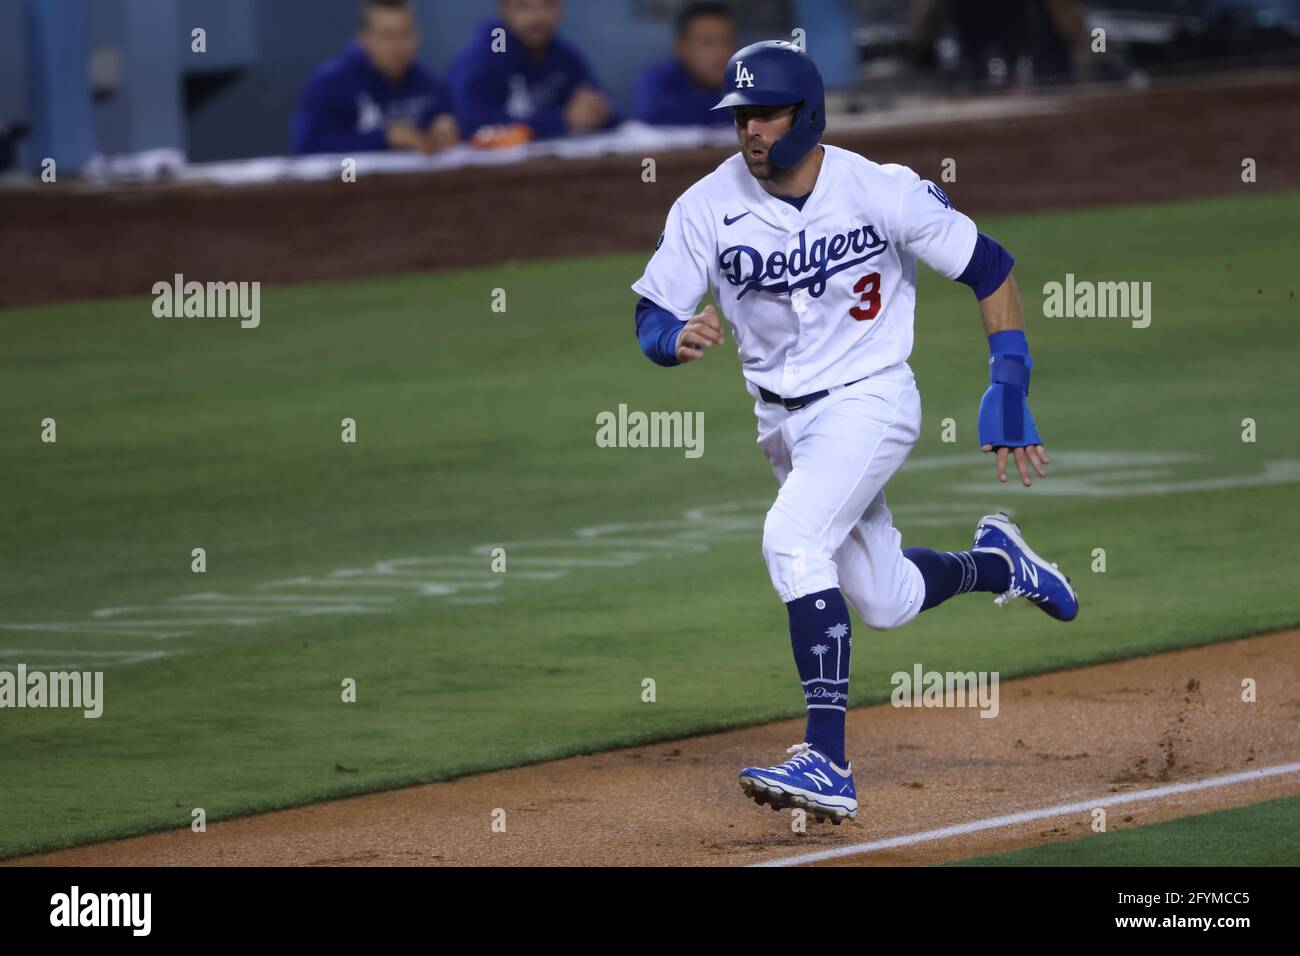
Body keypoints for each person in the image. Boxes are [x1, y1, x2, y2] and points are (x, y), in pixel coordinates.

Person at [630, 41, 1078, 824]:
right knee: (884, 597)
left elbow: (991, 266)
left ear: (807, 115)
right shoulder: (705, 205)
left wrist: (1009, 383)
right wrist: (673, 340)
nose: (750, 131)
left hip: (871, 400)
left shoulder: (880, 189)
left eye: (765, 114)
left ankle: (828, 760)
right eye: (740, 116)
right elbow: (650, 313)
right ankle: (1000, 564)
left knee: (791, 540)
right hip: (781, 421)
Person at [291, 0, 458, 156]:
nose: (398, 45)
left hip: (414, 182)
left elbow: (444, 117)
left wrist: (443, 124)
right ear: (363, 39)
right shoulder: (331, 83)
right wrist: (383, 137)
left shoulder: (424, 79)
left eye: (405, 33)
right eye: (388, 36)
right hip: (352, 183)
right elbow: (306, 146)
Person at [447, 0, 614, 141]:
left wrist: (598, 111)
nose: (538, 17)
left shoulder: (562, 53)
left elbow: (605, 108)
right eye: (524, 6)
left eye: (547, 5)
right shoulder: (489, 51)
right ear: (504, 10)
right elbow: (473, 124)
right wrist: (561, 119)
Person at [634, 2, 736, 127]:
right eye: (707, 42)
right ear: (681, 48)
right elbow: (652, 112)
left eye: (727, 41)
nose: (721, 52)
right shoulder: (658, 78)